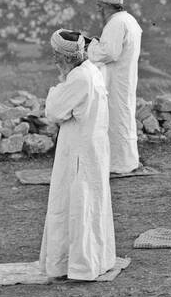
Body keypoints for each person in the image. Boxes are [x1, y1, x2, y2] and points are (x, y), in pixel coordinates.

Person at [39, 30, 116, 281]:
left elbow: (54, 110)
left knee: (76, 205)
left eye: (57, 55)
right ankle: (95, 260)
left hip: (78, 153)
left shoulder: (79, 79)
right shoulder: (91, 71)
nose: (54, 60)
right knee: (90, 204)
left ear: (68, 57)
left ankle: (79, 266)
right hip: (91, 148)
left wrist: (54, 91)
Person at [87, 0, 143, 174]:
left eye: (99, 6)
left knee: (117, 119)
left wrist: (90, 46)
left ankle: (119, 164)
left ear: (104, 5)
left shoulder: (116, 23)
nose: (98, 10)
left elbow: (110, 53)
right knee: (123, 118)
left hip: (117, 79)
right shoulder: (128, 20)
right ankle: (127, 160)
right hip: (124, 77)